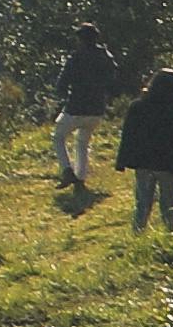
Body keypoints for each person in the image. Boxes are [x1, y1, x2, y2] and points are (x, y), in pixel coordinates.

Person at [52, 21, 126, 209]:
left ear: (80, 39)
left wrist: (61, 93)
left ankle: (67, 170)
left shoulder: (76, 58)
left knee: (58, 137)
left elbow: (61, 83)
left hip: (75, 106)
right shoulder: (105, 56)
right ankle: (80, 177)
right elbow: (114, 78)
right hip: (96, 108)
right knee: (82, 142)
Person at [118, 62, 173, 228]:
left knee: (142, 202)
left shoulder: (138, 106)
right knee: (169, 203)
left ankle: (138, 232)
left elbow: (128, 135)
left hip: (143, 162)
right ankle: (170, 232)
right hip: (168, 163)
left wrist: (122, 160)